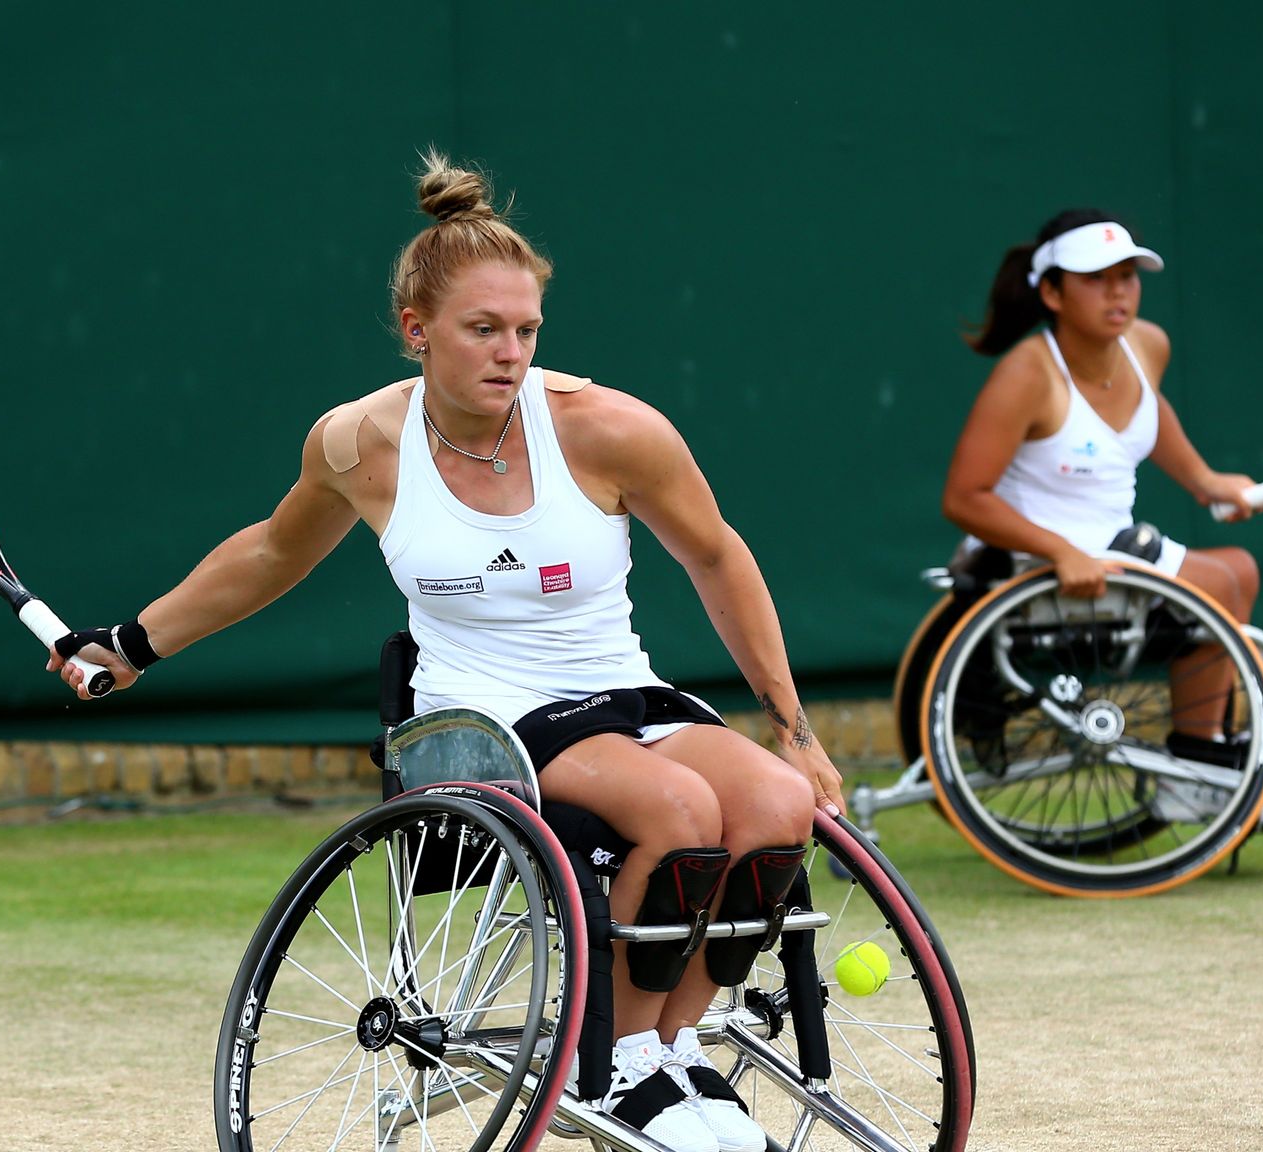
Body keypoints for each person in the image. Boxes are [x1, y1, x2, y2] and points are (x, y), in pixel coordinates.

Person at [46, 151, 840, 1152]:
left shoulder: (609, 431)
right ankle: (625, 1064)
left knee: (775, 807)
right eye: (482, 330)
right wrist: (132, 643)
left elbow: (720, 559)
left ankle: (671, 1055)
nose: (508, 352)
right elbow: (268, 553)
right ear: (418, 332)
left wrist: (793, 728)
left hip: (624, 691)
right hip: (478, 722)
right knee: (677, 813)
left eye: (525, 331)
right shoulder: (357, 445)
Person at [941, 209, 1263, 818]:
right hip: (1046, 566)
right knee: (1222, 582)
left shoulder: (1147, 346)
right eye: (1097, 278)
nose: (1119, 291)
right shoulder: (1026, 374)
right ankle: (1198, 770)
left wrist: (1207, 482)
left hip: (1117, 550)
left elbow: (1149, 418)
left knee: (1242, 569)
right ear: (1052, 292)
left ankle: (1200, 757)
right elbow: (965, 499)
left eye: (1128, 275)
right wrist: (1059, 550)